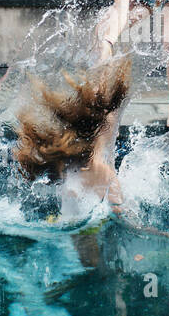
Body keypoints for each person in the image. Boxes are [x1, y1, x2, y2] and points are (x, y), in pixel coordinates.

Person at [12, 55, 132, 208]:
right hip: (85, 230)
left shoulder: (71, 164)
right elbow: (119, 212)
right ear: (99, 131)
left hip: (67, 221)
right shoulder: (102, 170)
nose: (117, 132)